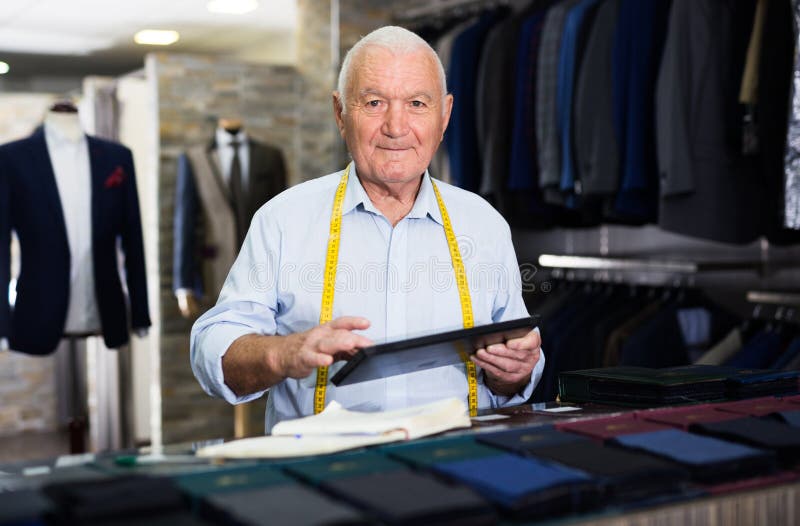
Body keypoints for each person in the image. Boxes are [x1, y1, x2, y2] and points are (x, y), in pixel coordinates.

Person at [190, 26, 545, 432]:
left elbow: (516, 367)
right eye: (374, 102)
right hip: (322, 475)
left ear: (444, 116)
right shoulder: (282, 220)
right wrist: (283, 354)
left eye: (416, 103)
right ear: (340, 114)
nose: (396, 126)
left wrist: (512, 370)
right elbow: (210, 349)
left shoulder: (485, 225)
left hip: (456, 468)